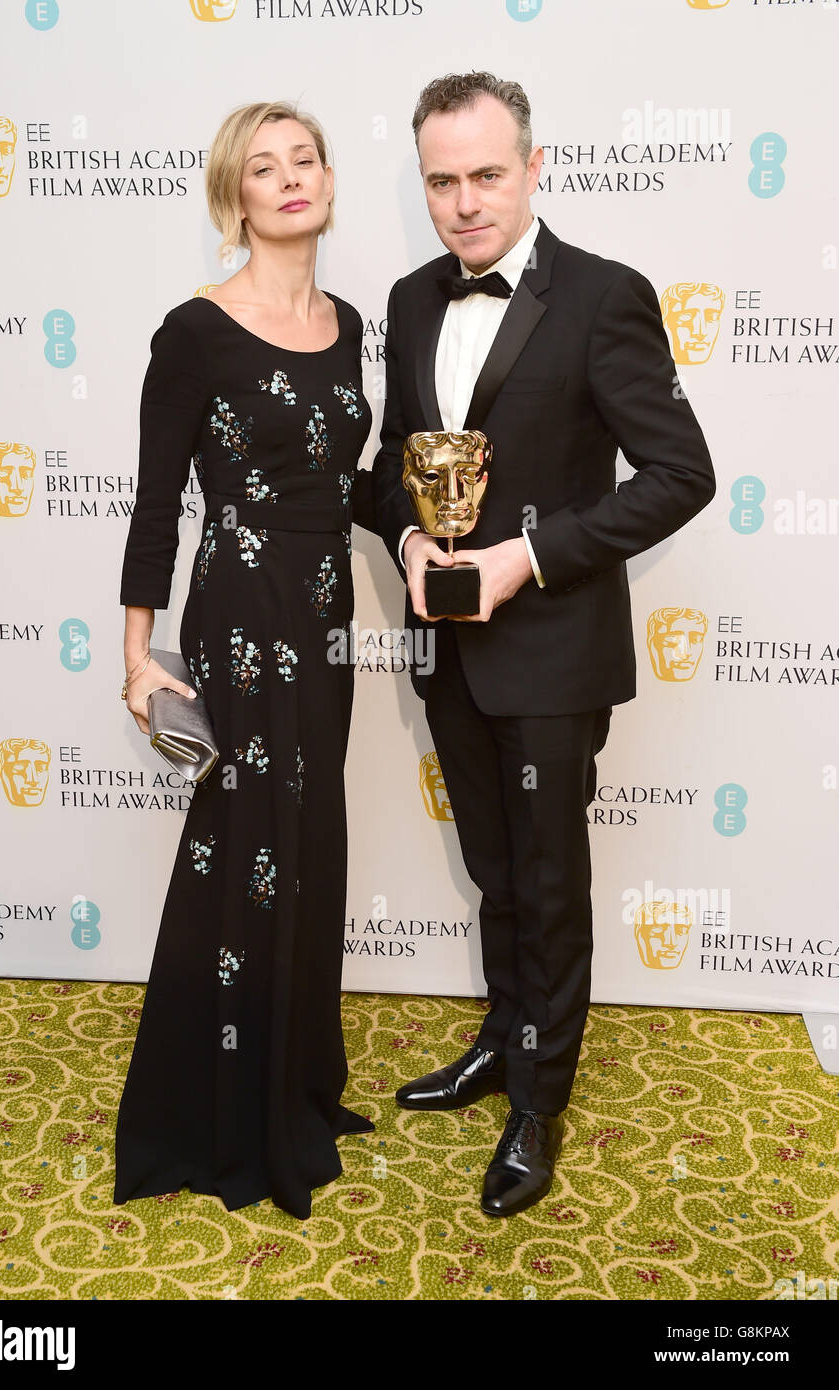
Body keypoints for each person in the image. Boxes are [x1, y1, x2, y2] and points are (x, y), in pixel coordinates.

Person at [372, 72, 716, 1218]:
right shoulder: (413, 300)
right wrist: (414, 541)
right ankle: (501, 1041)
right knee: (493, 870)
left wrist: (531, 554)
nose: (464, 201)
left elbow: (681, 474)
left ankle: (539, 1099)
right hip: (450, 644)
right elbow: (389, 473)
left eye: (485, 174)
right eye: (441, 180)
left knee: (550, 878)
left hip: (555, 644)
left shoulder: (606, 296)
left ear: (532, 167)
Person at [114, 100, 376, 1220]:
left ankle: (299, 1082)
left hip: (326, 616)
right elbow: (157, 501)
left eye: (303, 159)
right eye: (262, 169)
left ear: (326, 179)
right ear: (235, 198)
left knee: (309, 841)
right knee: (251, 843)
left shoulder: (349, 318)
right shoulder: (195, 330)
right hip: (242, 612)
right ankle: (230, 1114)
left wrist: (425, 528)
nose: (289, 180)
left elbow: (346, 481)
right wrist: (137, 654)